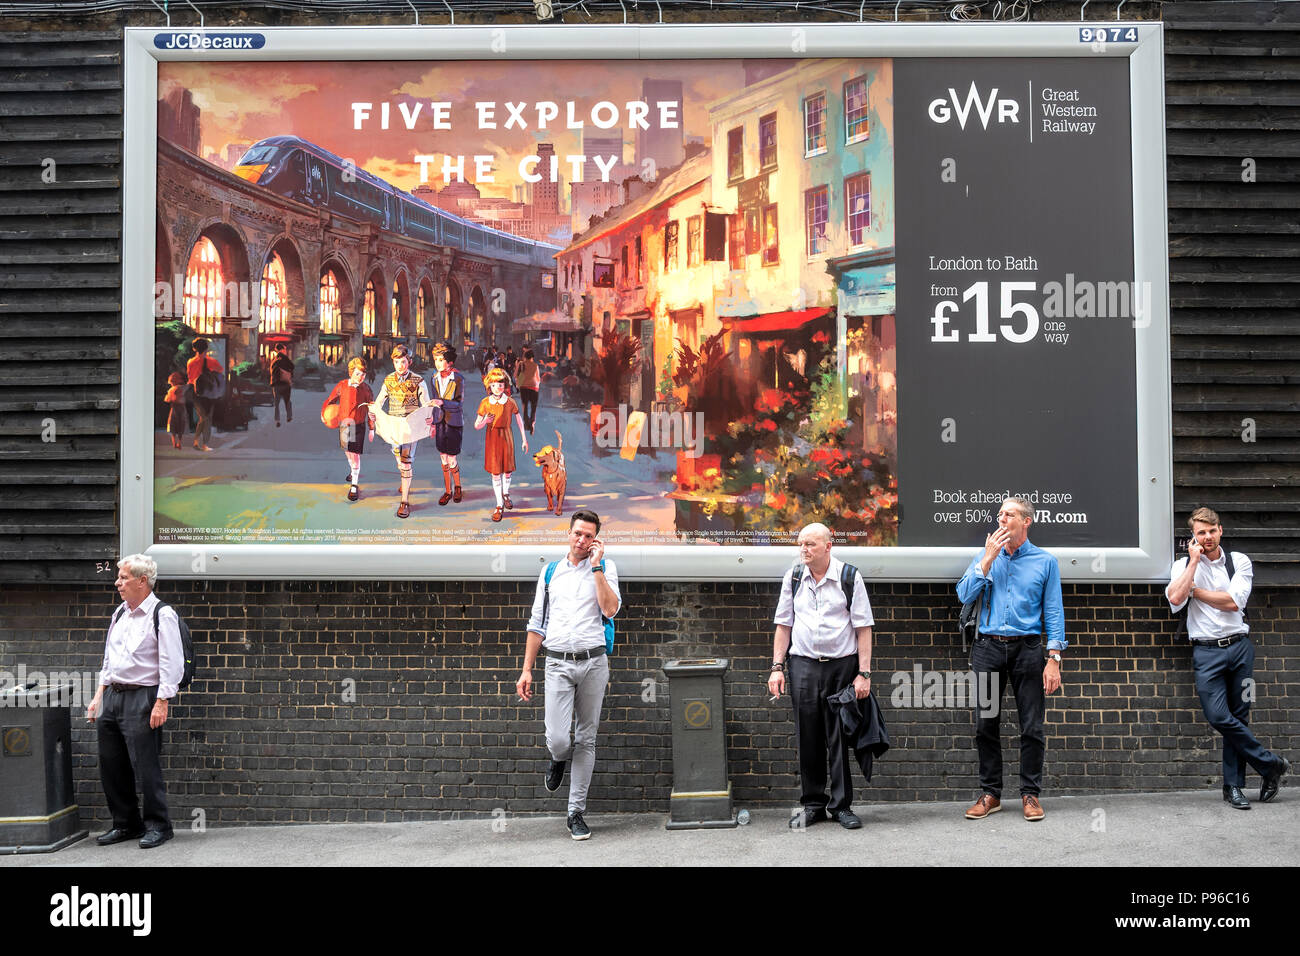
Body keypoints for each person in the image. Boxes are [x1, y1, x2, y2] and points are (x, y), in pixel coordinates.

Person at [1165, 506, 1290, 809]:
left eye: (1211, 530)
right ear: (1192, 538)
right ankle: (1270, 764)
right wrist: (1193, 565)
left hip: (1240, 649)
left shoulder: (1239, 562)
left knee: (1240, 715)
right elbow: (1175, 597)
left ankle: (1233, 787)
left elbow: (1234, 603)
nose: (1207, 537)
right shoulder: (1183, 564)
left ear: (1220, 530)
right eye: (1200, 533)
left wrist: (1196, 591)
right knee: (1219, 716)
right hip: (1206, 653)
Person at [955, 496, 1064, 822]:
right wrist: (987, 560)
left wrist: (1054, 658)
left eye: (1009, 514)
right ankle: (991, 794)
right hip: (988, 649)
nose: (1001, 519)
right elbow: (963, 594)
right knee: (985, 723)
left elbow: (1054, 612)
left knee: (1031, 725)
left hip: (1028, 650)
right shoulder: (986, 556)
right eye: (1000, 513)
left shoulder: (1045, 562)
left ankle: (1030, 794)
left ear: (1026, 521)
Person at [516, 509, 620, 840]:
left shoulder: (604, 568)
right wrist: (526, 669)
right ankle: (558, 758)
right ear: (569, 532)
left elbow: (610, 609)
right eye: (578, 533)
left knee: (587, 738)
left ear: (596, 539)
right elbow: (536, 623)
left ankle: (575, 812)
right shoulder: (550, 572)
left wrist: (598, 567)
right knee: (559, 738)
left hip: (593, 662)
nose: (582, 540)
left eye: (589, 536)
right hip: (558, 663)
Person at [768, 523, 874, 830]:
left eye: (810, 544)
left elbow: (863, 627)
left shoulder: (849, 577)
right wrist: (777, 667)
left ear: (828, 546)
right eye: (801, 543)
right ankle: (812, 804)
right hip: (802, 665)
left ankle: (841, 806)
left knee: (839, 737)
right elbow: (783, 625)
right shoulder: (794, 577)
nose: (803, 549)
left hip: (842, 666)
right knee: (808, 736)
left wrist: (863, 673)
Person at [85, 554, 184, 849]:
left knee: (146, 765)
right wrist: (97, 696)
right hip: (112, 695)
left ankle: (159, 826)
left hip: (143, 696)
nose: (118, 583)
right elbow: (109, 659)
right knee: (112, 765)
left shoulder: (162, 614)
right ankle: (126, 823)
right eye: (118, 577)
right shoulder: (120, 613)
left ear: (142, 581)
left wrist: (162, 701)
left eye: (124, 577)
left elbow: (172, 662)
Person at [367, 344, 433, 519]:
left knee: (406, 461)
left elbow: (425, 402)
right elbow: (380, 400)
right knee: (397, 455)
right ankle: (405, 478)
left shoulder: (419, 381)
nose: (400, 365)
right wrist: (373, 411)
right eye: (397, 362)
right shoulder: (388, 380)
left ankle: (404, 502)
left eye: (403, 362)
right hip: (393, 424)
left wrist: (429, 416)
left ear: (409, 362)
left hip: (411, 425)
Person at [474, 367, 528, 522]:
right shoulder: (485, 403)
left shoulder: (510, 402)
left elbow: (519, 420)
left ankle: (506, 493)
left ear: (505, 386)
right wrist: (485, 421)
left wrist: (524, 439)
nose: (497, 387)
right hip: (492, 438)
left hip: (507, 437)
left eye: (500, 384)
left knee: (508, 470)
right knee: (496, 472)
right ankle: (499, 504)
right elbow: (477, 425)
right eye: (494, 384)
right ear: (489, 386)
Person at [321, 357, 374, 502]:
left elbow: (372, 410)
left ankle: (354, 485)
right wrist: (324, 413)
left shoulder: (366, 389)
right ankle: (353, 470)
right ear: (351, 372)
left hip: (358, 426)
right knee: (348, 451)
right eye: (357, 374)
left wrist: (371, 428)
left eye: (363, 374)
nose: (361, 377)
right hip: (344, 424)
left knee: (355, 454)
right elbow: (331, 400)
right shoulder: (342, 385)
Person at [428, 343, 466, 506]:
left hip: (454, 422)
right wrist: (432, 423)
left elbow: (458, 404)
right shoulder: (433, 379)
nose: (437, 363)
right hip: (439, 422)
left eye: (441, 359)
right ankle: (447, 490)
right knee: (442, 458)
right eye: (435, 359)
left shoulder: (458, 379)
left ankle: (457, 486)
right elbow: (434, 402)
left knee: (451, 458)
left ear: (450, 362)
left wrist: (442, 402)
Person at [185, 336, 222, 452]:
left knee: (203, 418)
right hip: (209, 392)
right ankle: (204, 444)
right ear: (206, 348)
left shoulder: (190, 362)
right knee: (207, 418)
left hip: (195, 392)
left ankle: (196, 442)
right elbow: (220, 372)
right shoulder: (212, 362)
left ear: (194, 349)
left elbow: (190, 378)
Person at [516, 347, 541, 434]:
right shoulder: (536, 365)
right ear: (532, 357)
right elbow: (538, 378)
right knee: (533, 407)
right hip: (534, 388)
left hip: (524, 387)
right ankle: (532, 422)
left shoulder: (521, 364)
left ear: (525, 356)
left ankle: (526, 423)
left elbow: (516, 375)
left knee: (525, 406)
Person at [269, 344, 295, 427]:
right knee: (287, 400)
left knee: (276, 403)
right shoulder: (285, 358)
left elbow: (271, 371)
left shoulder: (274, 360)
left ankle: (277, 420)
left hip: (276, 384)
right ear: (282, 349)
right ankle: (289, 416)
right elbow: (292, 366)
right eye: (284, 349)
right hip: (285, 383)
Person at [164, 371, 186, 449]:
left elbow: (167, 399)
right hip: (180, 408)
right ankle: (178, 443)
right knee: (180, 425)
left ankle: (175, 443)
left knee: (173, 425)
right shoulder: (183, 388)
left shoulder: (173, 389)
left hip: (175, 408)